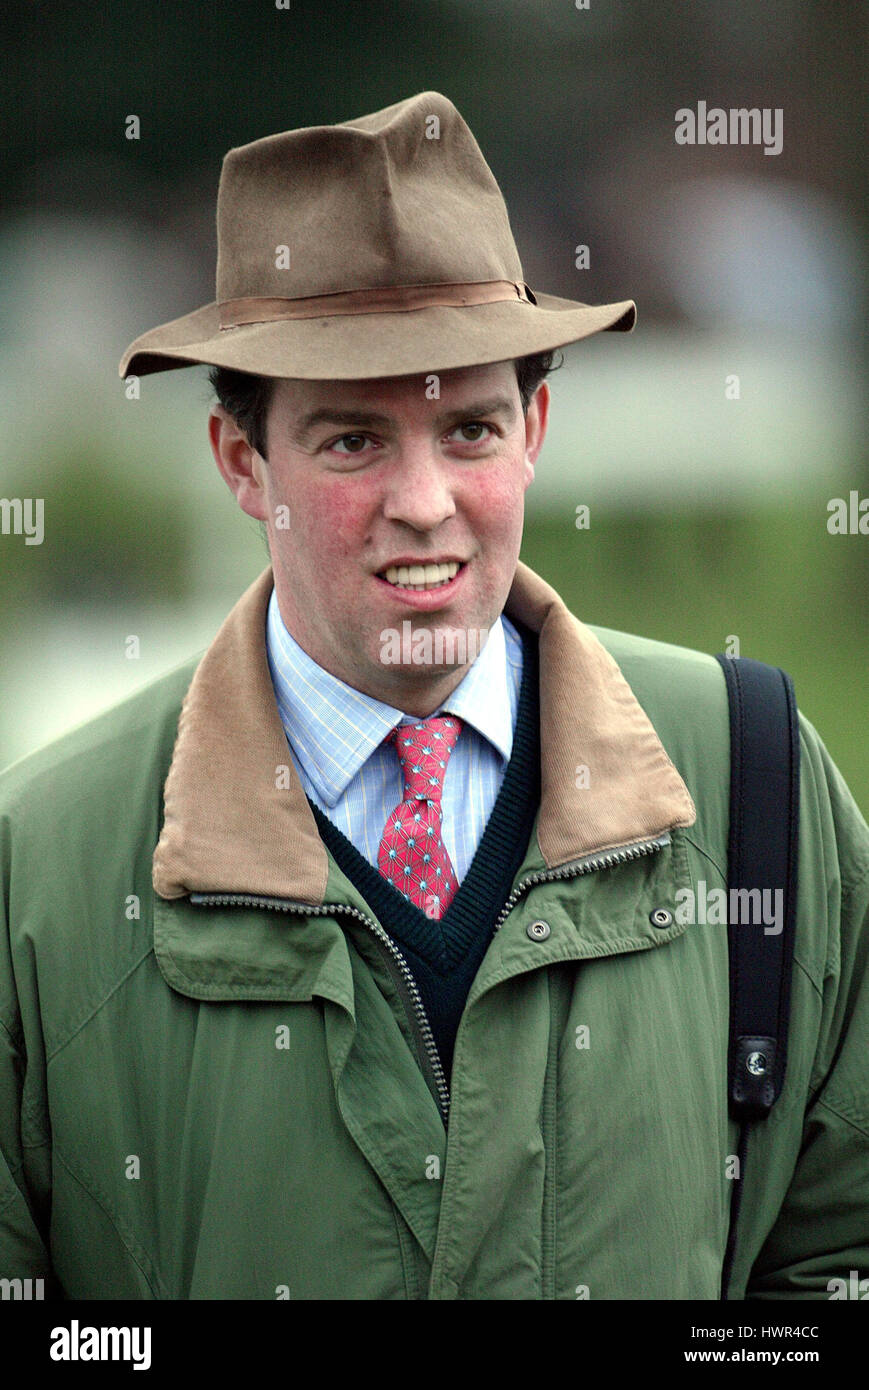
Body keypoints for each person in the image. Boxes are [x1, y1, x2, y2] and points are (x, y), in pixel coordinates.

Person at [1, 91, 866, 1302]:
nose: (425, 500)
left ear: (536, 430)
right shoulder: (37, 866)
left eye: (468, 428)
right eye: (354, 442)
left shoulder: (755, 772)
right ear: (242, 463)